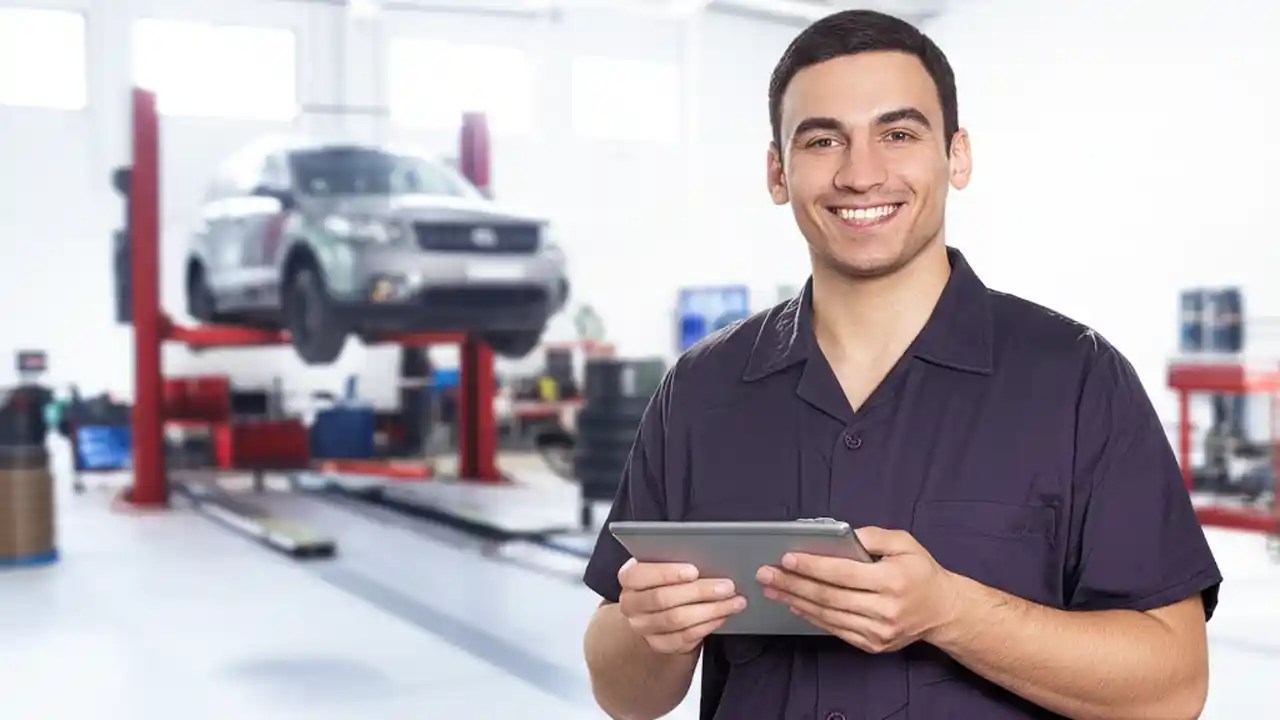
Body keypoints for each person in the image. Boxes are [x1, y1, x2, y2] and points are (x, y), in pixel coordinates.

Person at [581, 9, 1221, 720]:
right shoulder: (700, 391)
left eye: (898, 133)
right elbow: (623, 695)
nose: (862, 174)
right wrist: (656, 635)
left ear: (957, 156)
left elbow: (1172, 688)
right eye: (823, 139)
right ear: (777, 172)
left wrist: (953, 613)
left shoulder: (1076, 381)